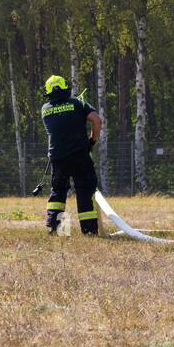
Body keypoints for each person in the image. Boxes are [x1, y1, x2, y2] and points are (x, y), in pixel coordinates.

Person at [40, 74, 103, 236]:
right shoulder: (77, 103)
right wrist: (92, 141)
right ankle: (89, 232)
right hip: (80, 156)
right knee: (84, 190)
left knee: (58, 192)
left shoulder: (45, 109)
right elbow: (96, 121)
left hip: (58, 158)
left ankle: (57, 230)